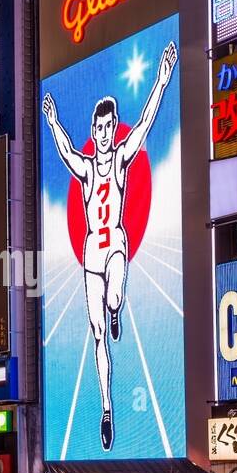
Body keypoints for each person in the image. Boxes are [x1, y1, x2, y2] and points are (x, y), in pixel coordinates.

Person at [42, 41, 178, 452]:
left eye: (108, 127)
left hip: (115, 243)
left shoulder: (120, 159)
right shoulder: (85, 168)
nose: (103, 135)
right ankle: (105, 408)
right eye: (97, 129)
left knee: (115, 296)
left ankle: (117, 307)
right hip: (90, 255)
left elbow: (147, 123)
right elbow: (65, 150)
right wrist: (51, 121)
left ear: (113, 126)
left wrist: (161, 78)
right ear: (93, 130)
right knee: (98, 335)